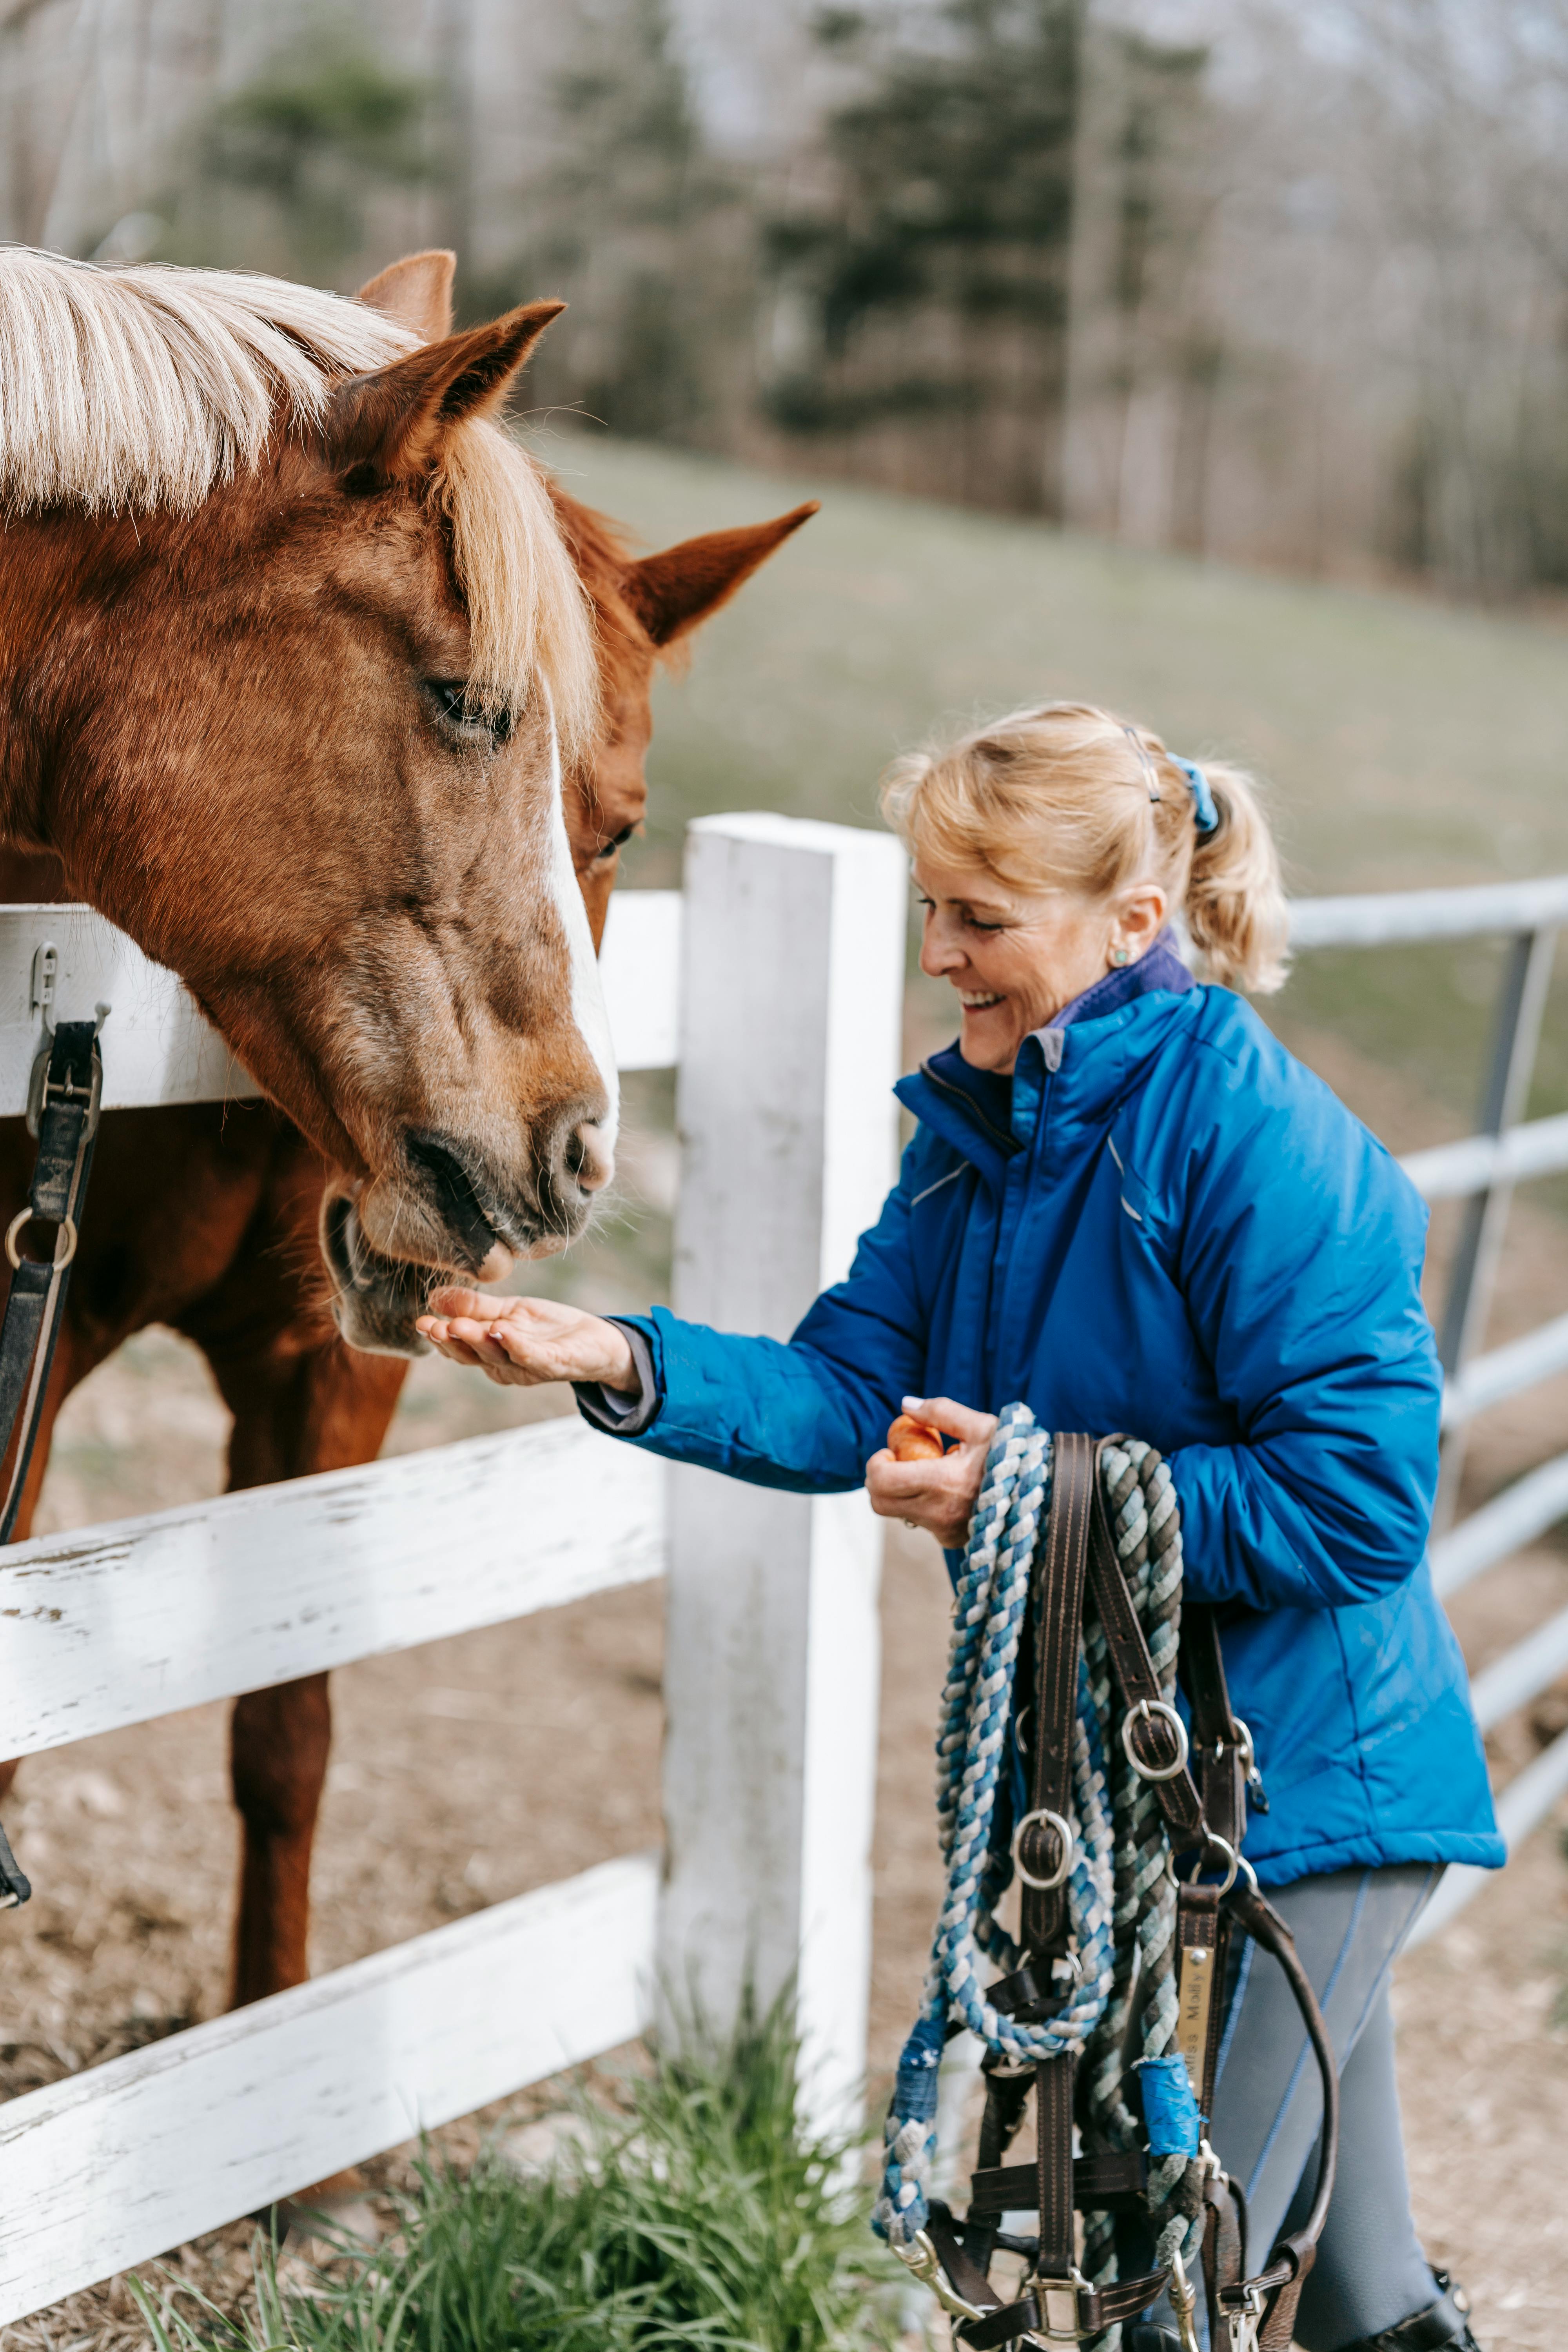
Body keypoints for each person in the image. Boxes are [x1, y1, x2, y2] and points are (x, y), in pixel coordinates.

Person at [419, 701, 1498, 2352]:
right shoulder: (974, 1145)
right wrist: (623, 1357)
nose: (939, 954)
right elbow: (850, 1391)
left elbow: (1357, 1505)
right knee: (1362, 2298)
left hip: (1302, 1802)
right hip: (1165, 1793)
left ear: (1131, 923)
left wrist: (1031, 1485)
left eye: (979, 918)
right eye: (933, 908)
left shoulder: (1255, 1139)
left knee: (1166, 2297)